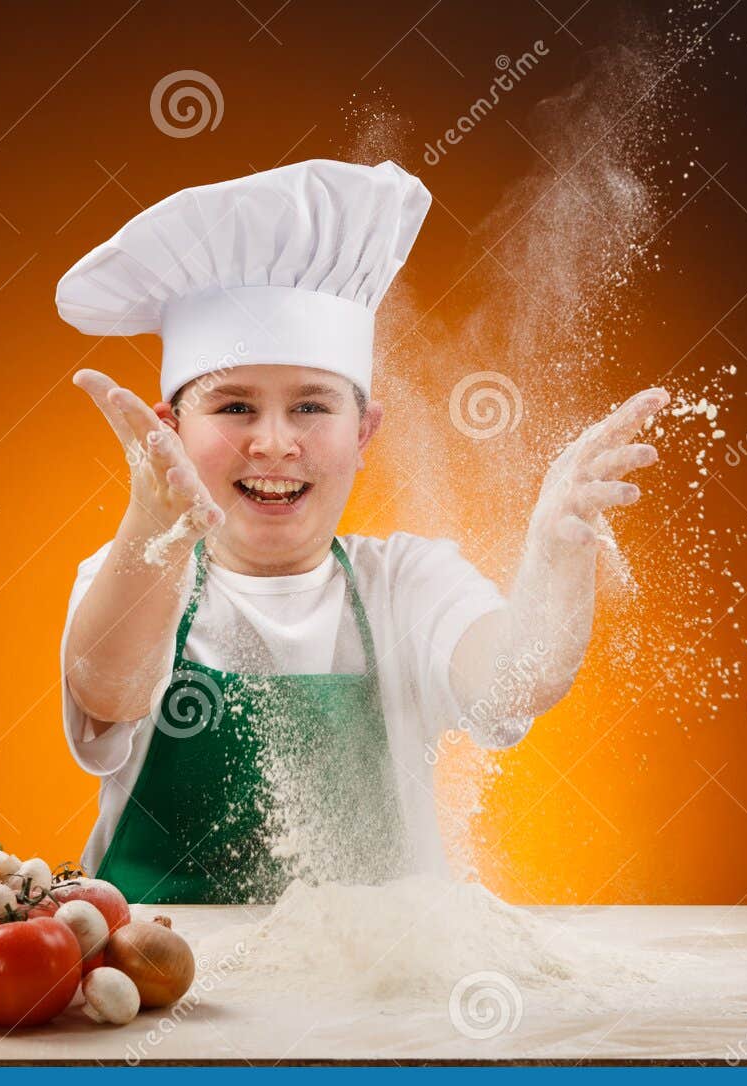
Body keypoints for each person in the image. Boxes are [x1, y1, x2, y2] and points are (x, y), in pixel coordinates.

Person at [56, 158, 666, 903]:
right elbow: (109, 689)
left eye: (312, 407)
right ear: (170, 430)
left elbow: (512, 680)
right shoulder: (141, 576)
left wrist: (553, 555)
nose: (275, 442)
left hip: (373, 998)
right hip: (159, 985)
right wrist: (153, 522)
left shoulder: (403, 585)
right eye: (234, 407)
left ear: (364, 431)